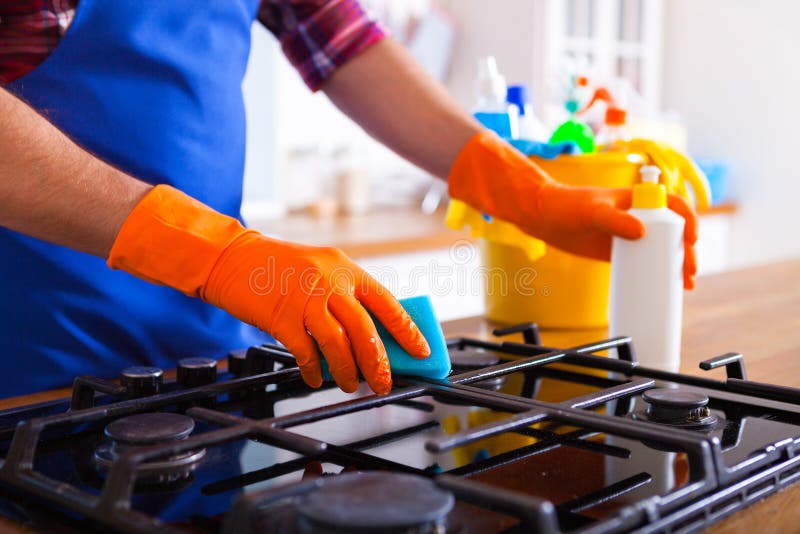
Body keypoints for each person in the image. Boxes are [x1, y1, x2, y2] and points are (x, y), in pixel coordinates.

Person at [0, 1, 697, 398]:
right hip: (33, 365)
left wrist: (524, 190)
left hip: (212, 358)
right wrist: (218, 253)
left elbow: (345, 44)